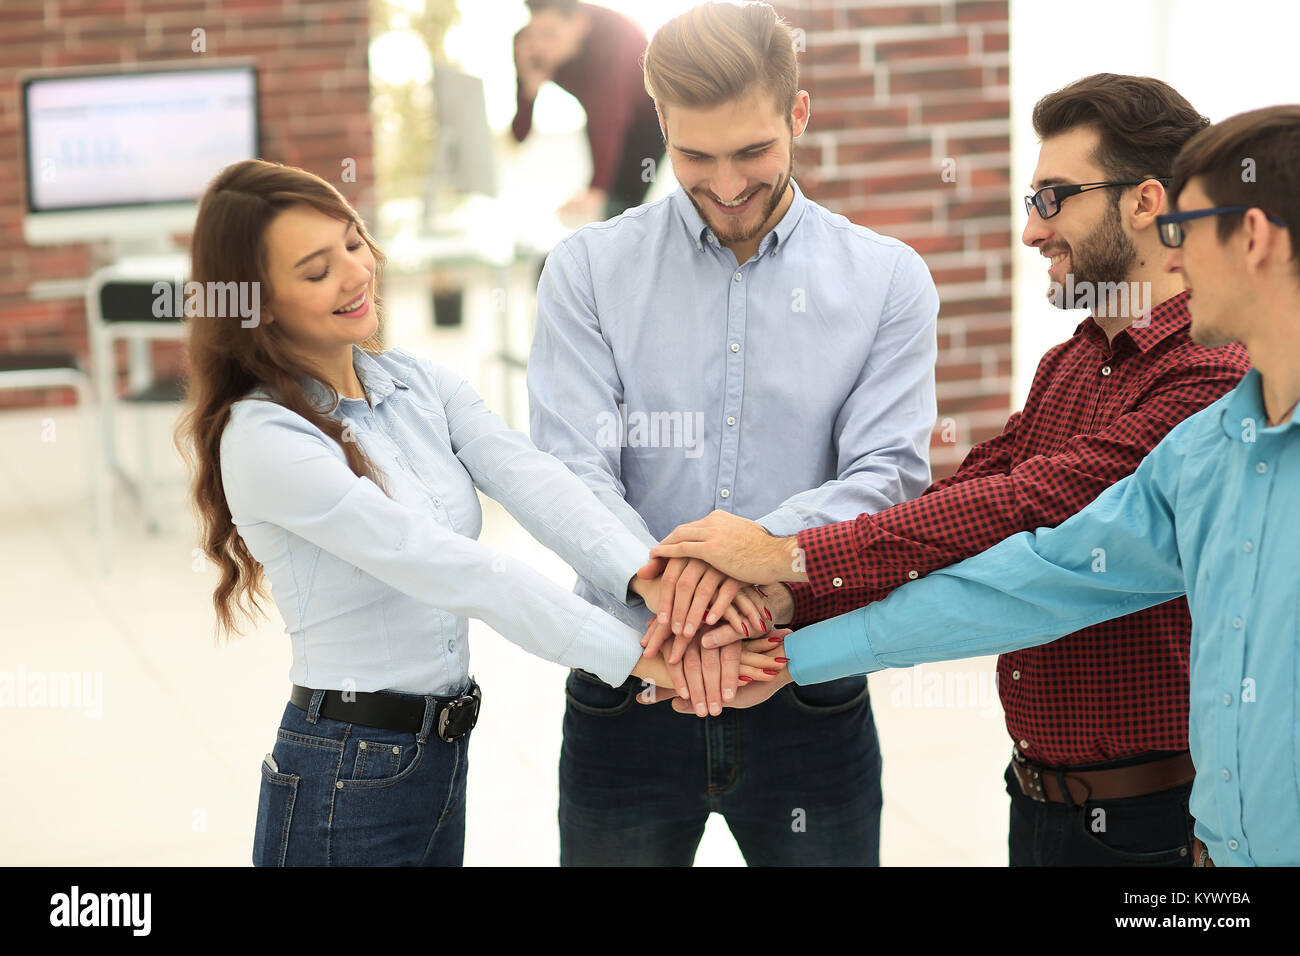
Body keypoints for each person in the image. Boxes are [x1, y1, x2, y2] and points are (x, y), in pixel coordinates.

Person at [644, 74, 1254, 866]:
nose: (1032, 233)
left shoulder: (1210, 374)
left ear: (1144, 203)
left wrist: (788, 556)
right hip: (1039, 804)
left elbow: (1030, 506)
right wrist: (781, 596)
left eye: (1051, 200)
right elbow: (964, 503)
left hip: (1154, 827)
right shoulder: (1068, 366)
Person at [174, 158, 785, 867]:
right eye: (316, 271)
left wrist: (655, 581)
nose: (354, 271)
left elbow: (532, 479)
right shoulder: (266, 437)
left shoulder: (413, 381)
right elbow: (457, 570)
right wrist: (647, 658)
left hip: (434, 759)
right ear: (260, 305)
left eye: (352, 241)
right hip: (342, 774)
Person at [528, 1, 939, 866]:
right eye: (694, 155)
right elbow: (571, 470)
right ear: (663, 126)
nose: (724, 185)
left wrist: (754, 576)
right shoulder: (587, 271)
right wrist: (673, 596)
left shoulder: (888, 281)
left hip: (806, 683)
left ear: (798, 113)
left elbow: (888, 475)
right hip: (627, 679)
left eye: (751, 152)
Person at [512, 0, 665, 222]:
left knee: (625, 207)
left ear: (580, 25)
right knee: (597, 215)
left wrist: (597, 190)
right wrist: (528, 88)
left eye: (550, 35)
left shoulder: (612, 38)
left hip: (649, 123)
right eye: (535, 33)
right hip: (598, 122)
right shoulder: (528, 46)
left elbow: (610, 115)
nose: (541, 46)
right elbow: (519, 134)